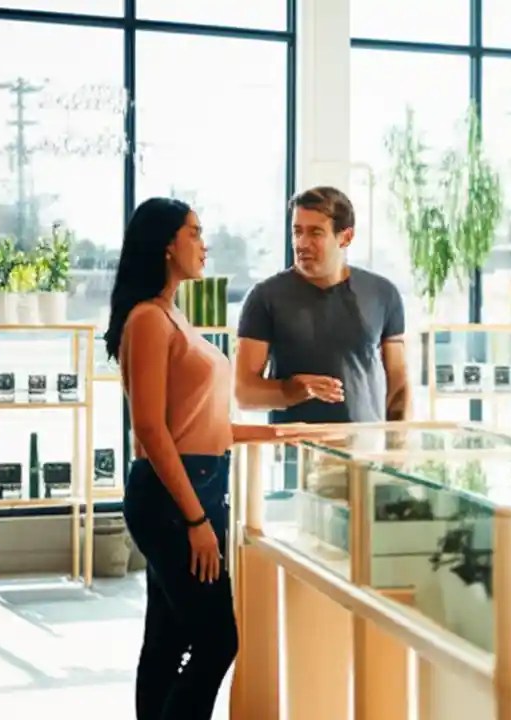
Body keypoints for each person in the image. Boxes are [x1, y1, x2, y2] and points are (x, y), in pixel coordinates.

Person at [107, 197, 338, 719]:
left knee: (167, 638)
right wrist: (195, 519)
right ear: (168, 245)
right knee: (217, 639)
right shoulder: (147, 319)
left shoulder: (173, 315)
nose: (203, 243)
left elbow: (202, 426)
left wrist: (278, 434)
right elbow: (149, 428)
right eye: (194, 232)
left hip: (197, 484)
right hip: (174, 497)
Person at [235, 185, 410, 424]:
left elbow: (398, 387)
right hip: (295, 452)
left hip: (363, 450)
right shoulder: (264, 297)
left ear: (345, 237)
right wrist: (291, 391)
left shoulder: (383, 294)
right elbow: (244, 393)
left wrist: (397, 449)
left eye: (315, 233)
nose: (302, 243)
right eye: (297, 232)